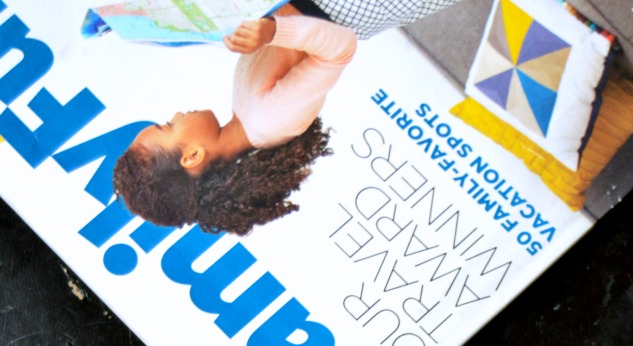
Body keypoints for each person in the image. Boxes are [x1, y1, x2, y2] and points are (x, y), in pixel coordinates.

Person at [112, 0, 463, 236]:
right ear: (191, 156)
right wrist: (273, 32)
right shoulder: (269, 120)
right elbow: (340, 49)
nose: (176, 115)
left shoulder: (245, 109)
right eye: (169, 126)